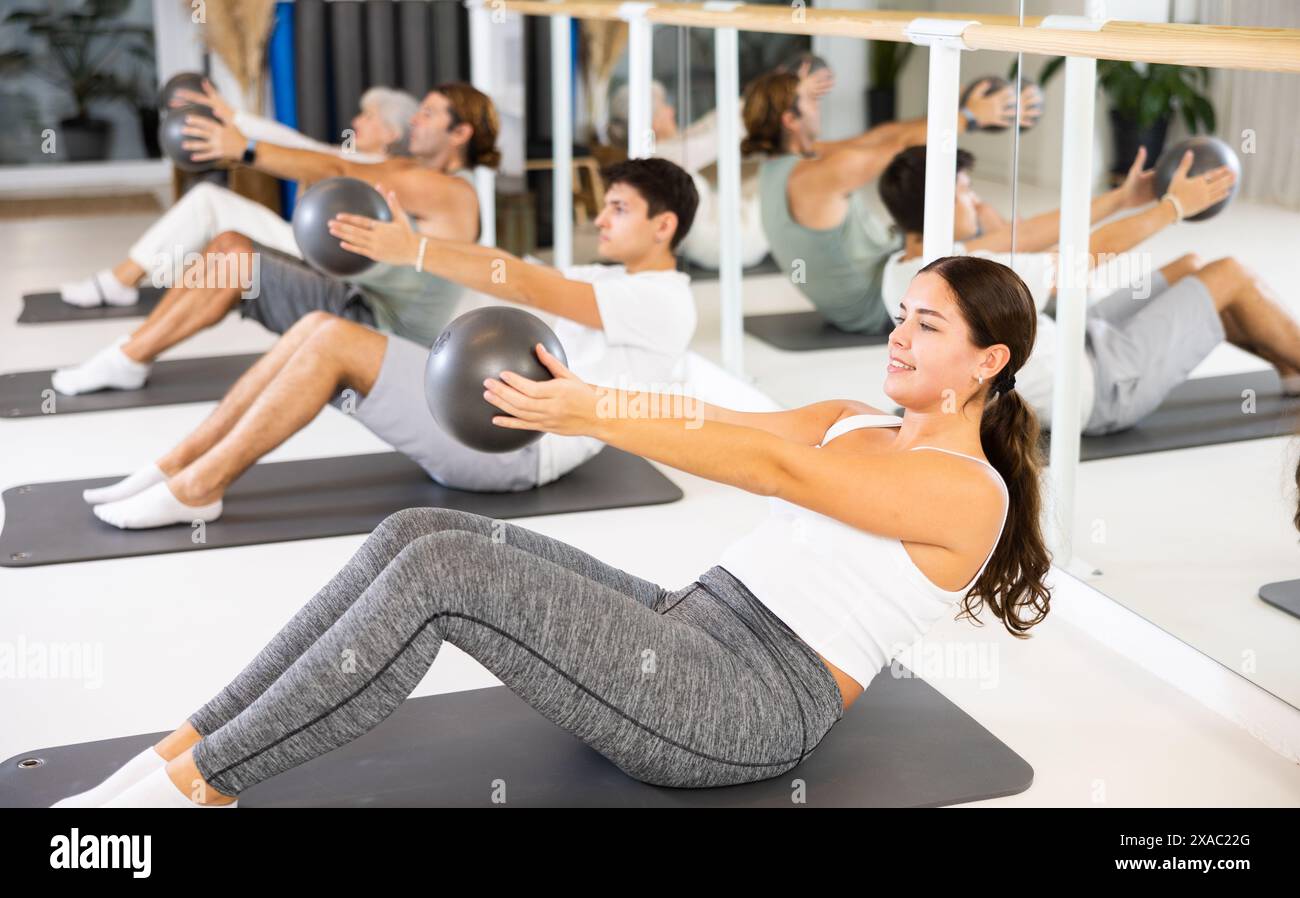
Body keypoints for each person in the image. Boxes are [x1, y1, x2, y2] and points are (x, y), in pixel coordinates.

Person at [52, 255, 1049, 807]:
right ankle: (184, 743)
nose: (897, 335)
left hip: (748, 704)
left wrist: (589, 419)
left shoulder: (970, 492)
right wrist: (586, 395)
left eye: (926, 326)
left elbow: (778, 469)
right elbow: (714, 424)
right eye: (901, 314)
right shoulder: (853, 414)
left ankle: (198, 792)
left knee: (447, 574)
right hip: (690, 620)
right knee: (420, 528)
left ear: (984, 360)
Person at [83, 158, 699, 530]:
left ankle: (198, 491)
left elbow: (529, 282)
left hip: (518, 453)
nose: (600, 218)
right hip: (499, 415)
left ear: (663, 226)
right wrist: (419, 254)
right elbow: (507, 263)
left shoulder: (663, 301)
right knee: (314, 329)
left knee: (334, 344)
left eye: (618, 208)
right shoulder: (610, 279)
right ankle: (174, 466)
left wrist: (419, 251)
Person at [51, 83, 495, 397]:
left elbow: (336, 169)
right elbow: (324, 157)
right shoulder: (407, 170)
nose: (415, 118)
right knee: (229, 244)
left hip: (384, 335)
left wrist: (244, 147)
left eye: (429, 114)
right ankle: (131, 355)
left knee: (239, 263)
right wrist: (239, 129)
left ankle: (127, 357)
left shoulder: (452, 191)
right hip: (358, 293)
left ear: (460, 134)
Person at [877, 145, 1300, 434]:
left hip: (1079, 340)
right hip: (1097, 387)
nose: (975, 200)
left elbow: (1028, 232)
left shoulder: (909, 268)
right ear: (939, 204)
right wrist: (1173, 208)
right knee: (1229, 274)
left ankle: (1290, 370)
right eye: (965, 192)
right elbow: (1084, 257)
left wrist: (1122, 198)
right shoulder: (964, 278)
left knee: (1191, 268)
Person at [57, 83, 418, 308]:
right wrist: (235, 120)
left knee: (208, 202)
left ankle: (120, 281)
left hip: (331, 263)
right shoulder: (353, 157)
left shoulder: (379, 166)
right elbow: (303, 148)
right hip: (308, 243)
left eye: (368, 117)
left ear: (390, 133)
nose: (357, 121)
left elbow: (299, 147)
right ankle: (124, 277)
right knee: (208, 200)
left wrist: (239, 126)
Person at [742, 68, 1041, 334]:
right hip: (877, 306)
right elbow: (898, 146)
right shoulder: (813, 176)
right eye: (810, 99)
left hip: (868, 284)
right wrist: (970, 117)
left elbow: (879, 137)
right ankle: (1048, 271)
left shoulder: (784, 165)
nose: (818, 104)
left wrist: (959, 112)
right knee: (975, 219)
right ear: (790, 119)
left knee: (980, 214)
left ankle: (1038, 264)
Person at [607, 55, 837, 271]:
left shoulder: (665, 149)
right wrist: (782, 95)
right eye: (665, 107)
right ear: (653, 122)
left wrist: (768, 88)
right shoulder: (658, 159)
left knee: (772, 177)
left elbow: (711, 124)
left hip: (722, 223)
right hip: (728, 243)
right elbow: (724, 132)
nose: (672, 110)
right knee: (794, 176)